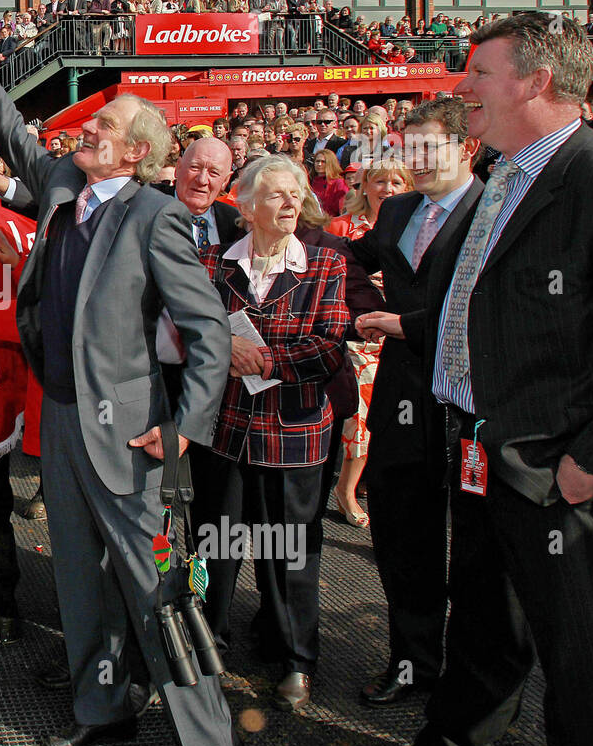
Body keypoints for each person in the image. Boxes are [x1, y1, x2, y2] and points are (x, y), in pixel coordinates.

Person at [0, 49, 239, 746]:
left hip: (131, 433)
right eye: (94, 117)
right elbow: (15, 138)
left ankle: (212, 745)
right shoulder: (63, 182)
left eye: (107, 122)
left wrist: (183, 428)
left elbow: (209, 331)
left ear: (138, 151)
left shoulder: (156, 216)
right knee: (76, 581)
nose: (90, 125)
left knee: (158, 587)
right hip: (59, 419)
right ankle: (104, 706)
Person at [376, 14, 593, 746]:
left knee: (582, 656)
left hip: (555, 472)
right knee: (481, 621)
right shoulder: (502, 173)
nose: (461, 86)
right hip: (476, 448)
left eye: (479, 72)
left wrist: (590, 459)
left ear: (536, 81)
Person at [197, 155, 349, 711]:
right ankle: (207, 639)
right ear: (247, 204)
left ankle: (295, 659)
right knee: (215, 543)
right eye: (277, 194)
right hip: (225, 429)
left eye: (296, 194)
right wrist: (220, 349)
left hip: (295, 432)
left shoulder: (325, 264)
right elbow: (187, 327)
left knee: (290, 552)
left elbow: (329, 345)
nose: (290, 203)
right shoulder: (210, 261)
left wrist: (260, 360)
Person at [345, 97, 483, 707]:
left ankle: (475, 682)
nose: (418, 160)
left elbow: (492, 306)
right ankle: (412, 663)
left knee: (481, 554)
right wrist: (360, 313)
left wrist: (405, 323)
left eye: (431, 147)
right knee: (403, 542)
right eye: (409, 147)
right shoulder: (397, 209)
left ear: (467, 148)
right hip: (401, 403)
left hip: (472, 408)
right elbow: (352, 259)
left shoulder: (495, 212)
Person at [323, 159, 413, 526]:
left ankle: (363, 483)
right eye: (379, 181)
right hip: (361, 336)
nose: (387, 188)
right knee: (359, 417)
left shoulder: (416, 225)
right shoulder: (342, 227)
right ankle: (344, 490)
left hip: (404, 334)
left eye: (396, 181)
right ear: (364, 187)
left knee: (392, 418)